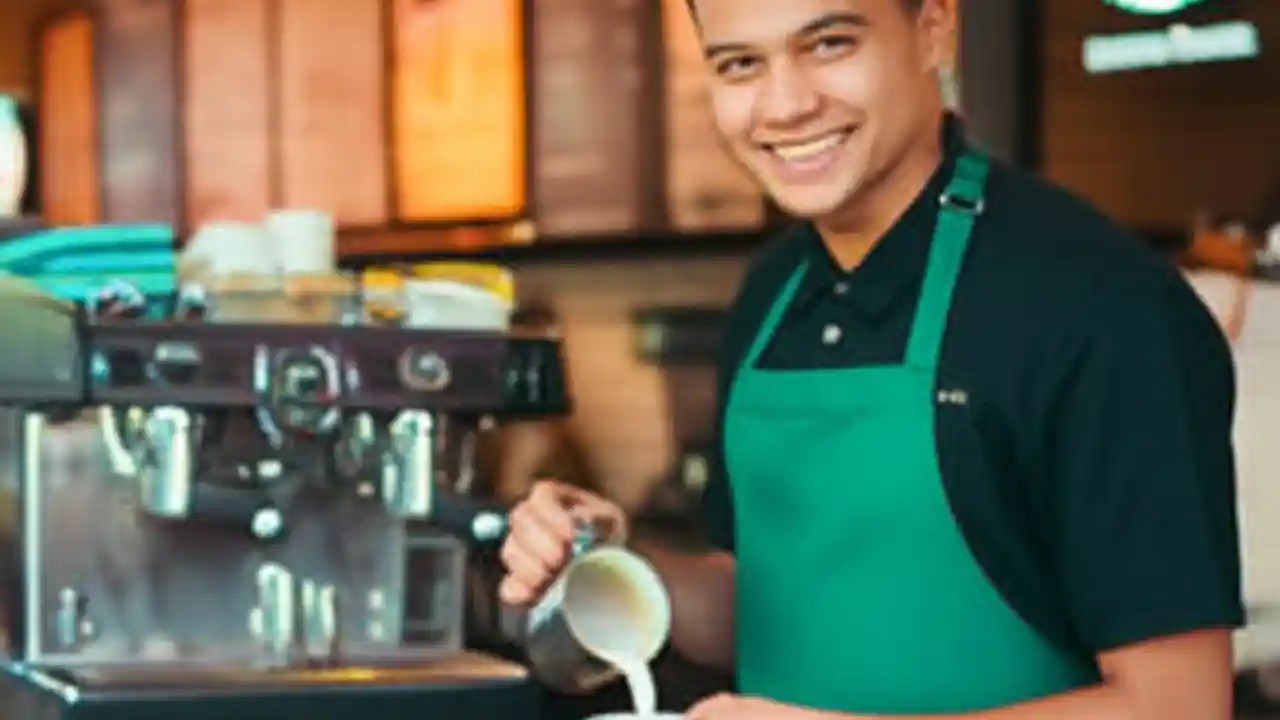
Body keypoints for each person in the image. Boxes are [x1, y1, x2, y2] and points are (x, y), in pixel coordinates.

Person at [498, 0, 1245, 717]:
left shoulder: (1100, 306)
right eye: (738, 64)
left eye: (829, 44)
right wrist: (613, 565)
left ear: (932, 31)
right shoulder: (773, 291)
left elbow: (1176, 705)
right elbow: (767, 600)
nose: (784, 105)